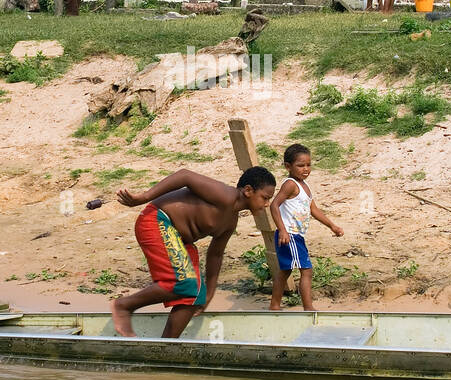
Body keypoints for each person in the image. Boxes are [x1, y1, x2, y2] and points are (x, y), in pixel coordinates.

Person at [112, 166, 277, 337]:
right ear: (248, 190)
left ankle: (166, 346)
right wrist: (144, 197)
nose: (266, 204)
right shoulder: (225, 195)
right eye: (265, 198)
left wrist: (210, 293)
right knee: (180, 282)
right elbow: (185, 176)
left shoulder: (230, 222)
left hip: (181, 240)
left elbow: (215, 255)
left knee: (196, 293)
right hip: (157, 220)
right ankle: (124, 305)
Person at [268, 144, 343, 311]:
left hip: (295, 235)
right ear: (288, 166)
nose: (306, 169)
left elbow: (313, 210)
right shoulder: (290, 184)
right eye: (300, 165)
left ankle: (274, 305)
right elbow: (274, 205)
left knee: (285, 271)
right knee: (306, 270)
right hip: (290, 235)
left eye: (308, 165)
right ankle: (308, 308)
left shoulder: (305, 186)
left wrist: (332, 226)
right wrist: (283, 230)